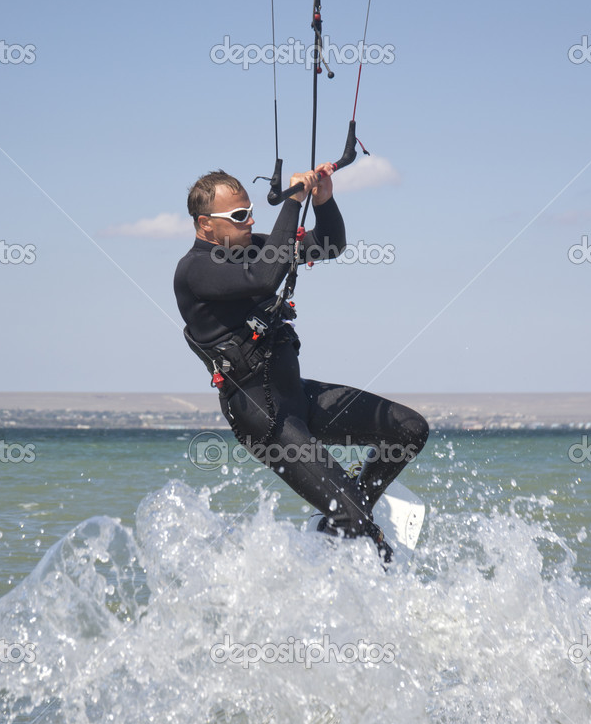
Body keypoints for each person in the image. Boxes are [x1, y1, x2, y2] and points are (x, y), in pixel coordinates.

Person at [173, 165, 428, 562]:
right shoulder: (195, 270)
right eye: (239, 217)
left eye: (251, 211)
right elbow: (263, 278)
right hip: (265, 420)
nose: (251, 220)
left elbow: (329, 244)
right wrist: (293, 200)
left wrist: (322, 200)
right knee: (356, 517)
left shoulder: (254, 247)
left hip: (297, 397)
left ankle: (342, 520)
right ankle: (351, 522)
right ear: (205, 225)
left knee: (409, 430)